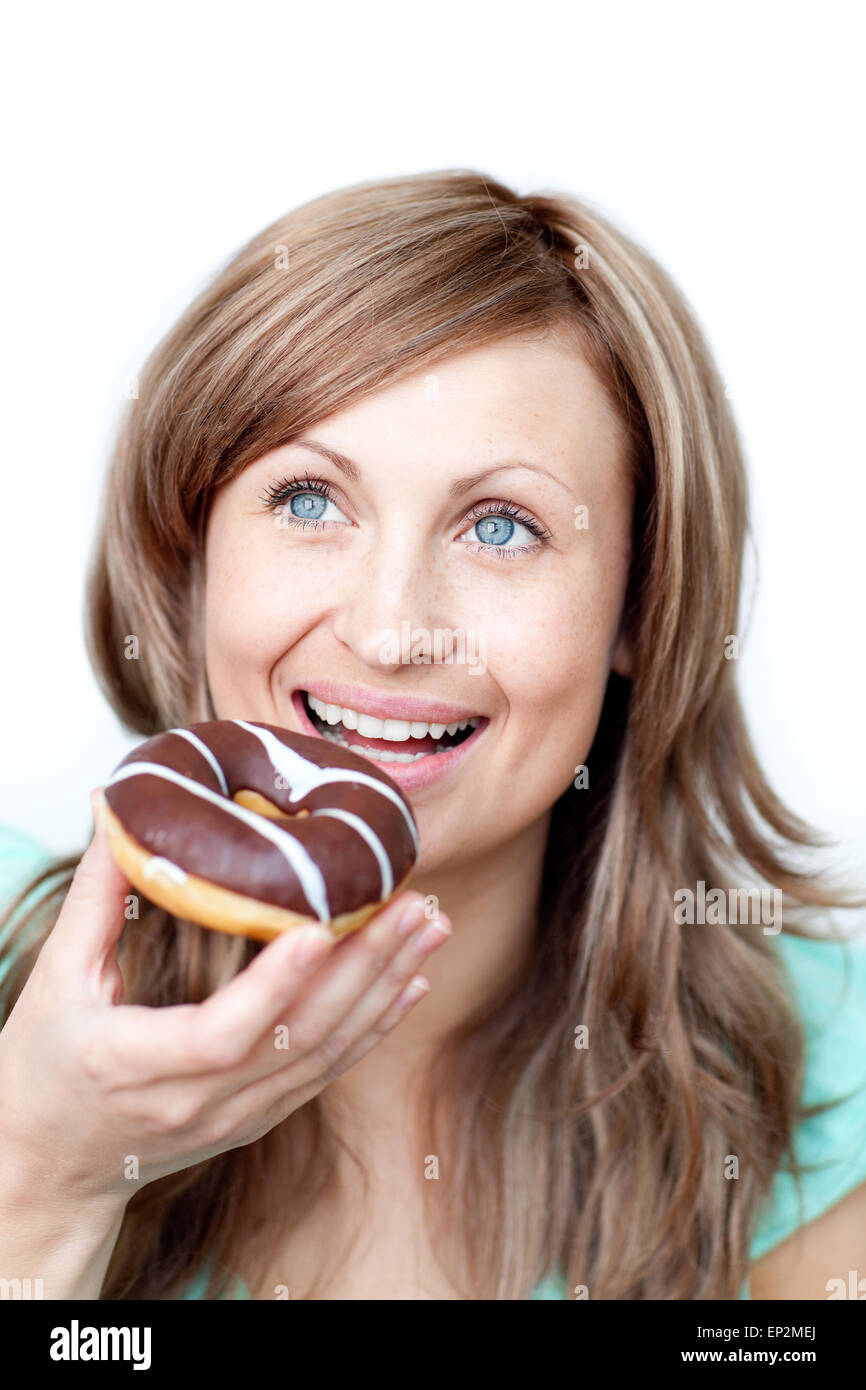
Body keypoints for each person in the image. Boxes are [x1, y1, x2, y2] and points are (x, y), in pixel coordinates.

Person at [2, 169, 865, 1301]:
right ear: (190, 553)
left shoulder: (814, 1076)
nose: (390, 630)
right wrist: (40, 1176)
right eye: (309, 500)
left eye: (500, 525)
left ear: (638, 606)